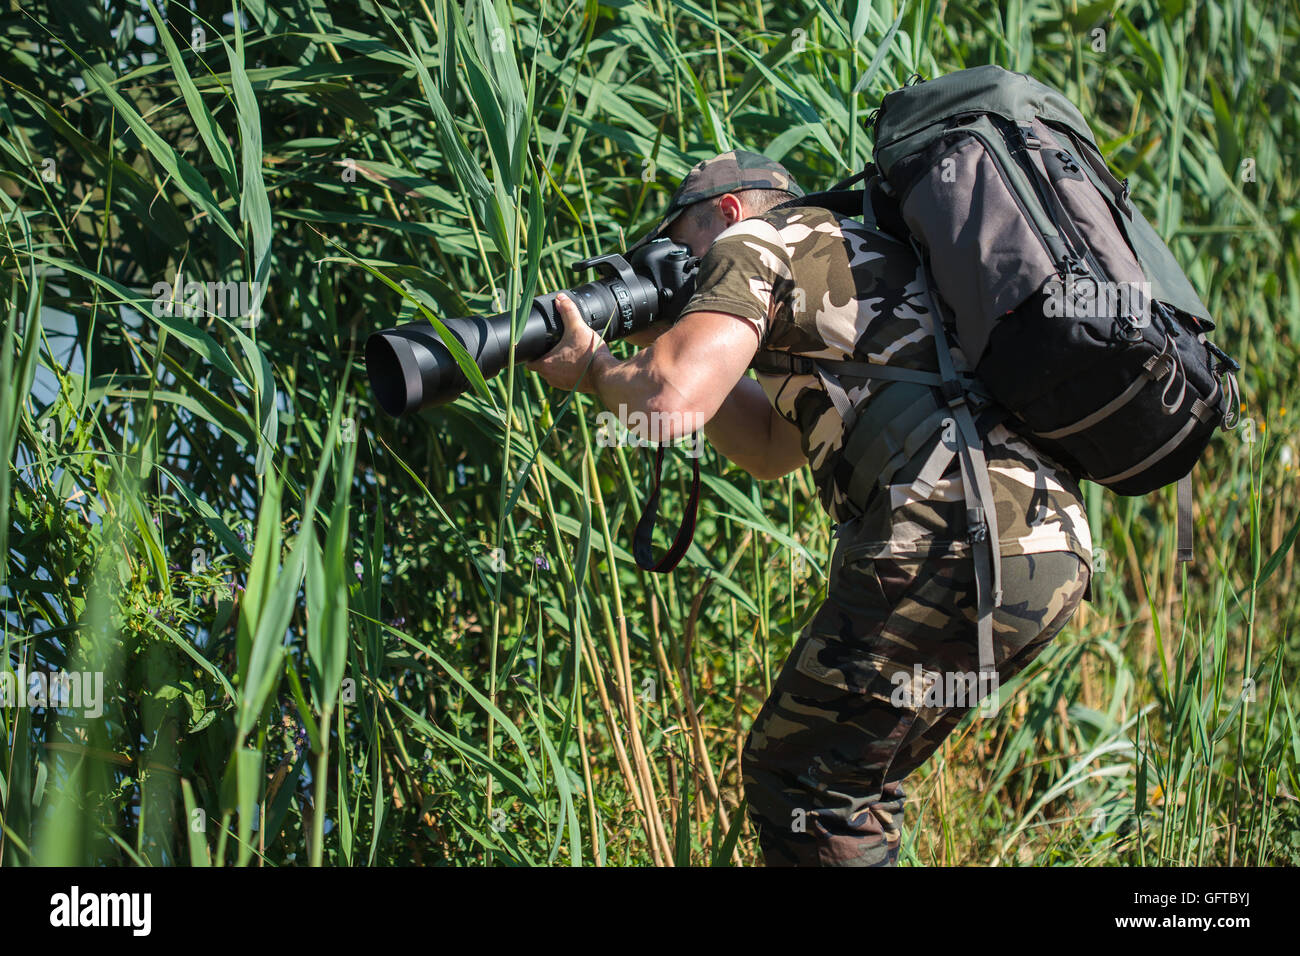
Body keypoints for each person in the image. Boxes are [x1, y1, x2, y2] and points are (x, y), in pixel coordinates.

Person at [527, 149, 1093, 867]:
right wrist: (661, 342)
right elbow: (767, 446)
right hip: (1042, 548)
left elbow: (668, 405)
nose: (677, 264)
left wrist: (593, 370)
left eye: (677, 243)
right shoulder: (867, 256)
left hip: (946, 533)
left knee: (795, 780)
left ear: (727, 212)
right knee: (847, 780)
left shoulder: (751, 242)